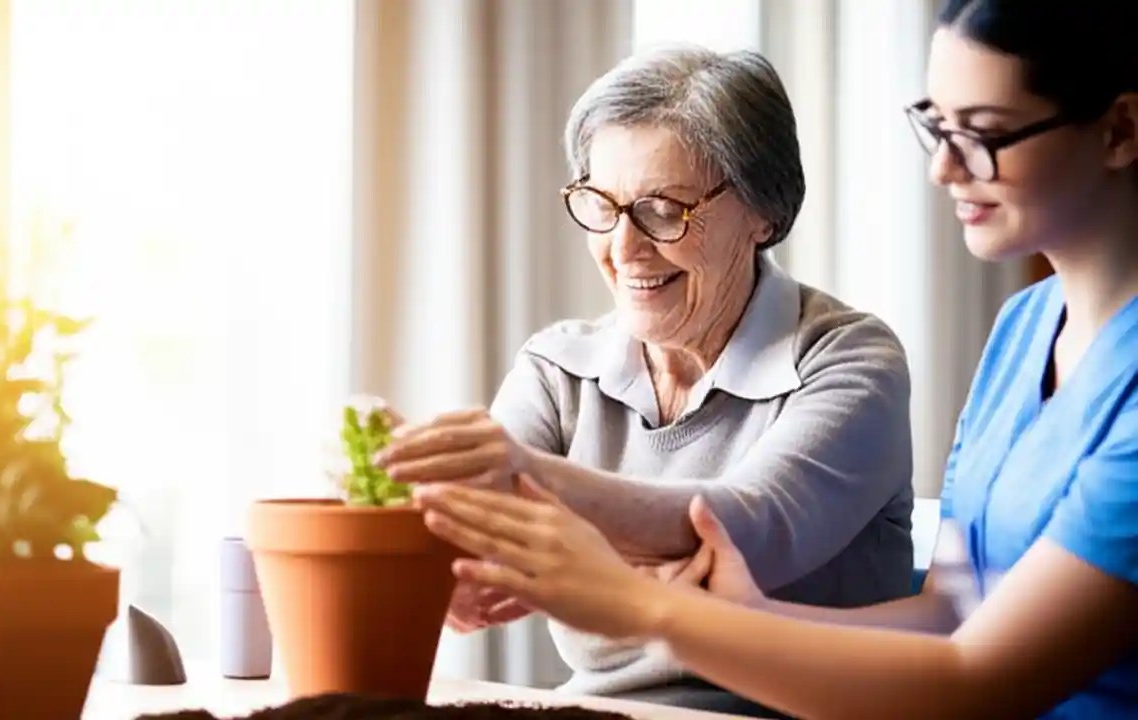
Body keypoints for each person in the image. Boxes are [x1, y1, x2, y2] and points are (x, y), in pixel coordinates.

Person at [411, 0, 1138, 717]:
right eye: (937, 128)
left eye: (982, 133)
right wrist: (741, 614)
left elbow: (982, 678)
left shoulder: (853, 354)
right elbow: (954, 611)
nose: (942, 170)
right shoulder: (1023, 327)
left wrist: (643, 603)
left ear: (1120, 130)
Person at [373, 44, 914, 714]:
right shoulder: (558, 370)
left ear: (764, 213)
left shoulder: (851, 358)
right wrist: (442, 555)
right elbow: (468, 541)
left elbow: (741, 529)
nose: (623, 248)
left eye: (662, 210)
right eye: (600, 203)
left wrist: (521, 484)